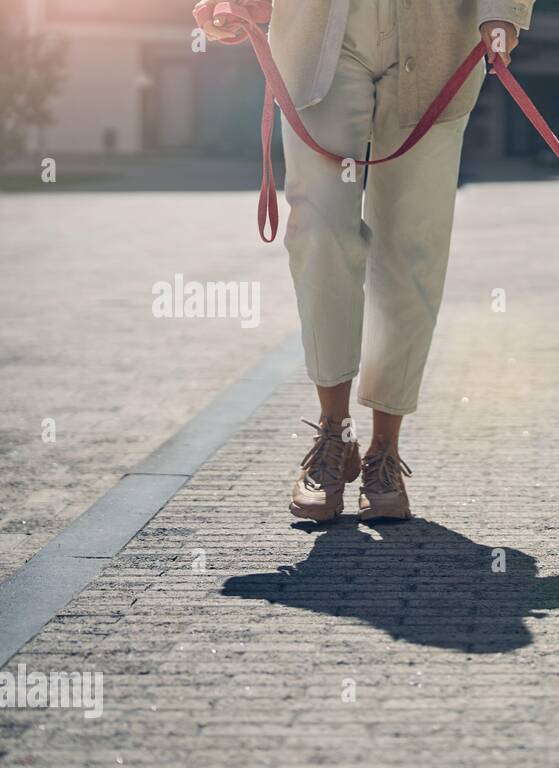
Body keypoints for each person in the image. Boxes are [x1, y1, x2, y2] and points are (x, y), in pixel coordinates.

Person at [196, 0, 533, 521]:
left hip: (440, 32)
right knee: (321, 231)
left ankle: (384, 451)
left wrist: (503, 10)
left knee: (412, 247)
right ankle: (334, 435)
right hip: (320, 32)